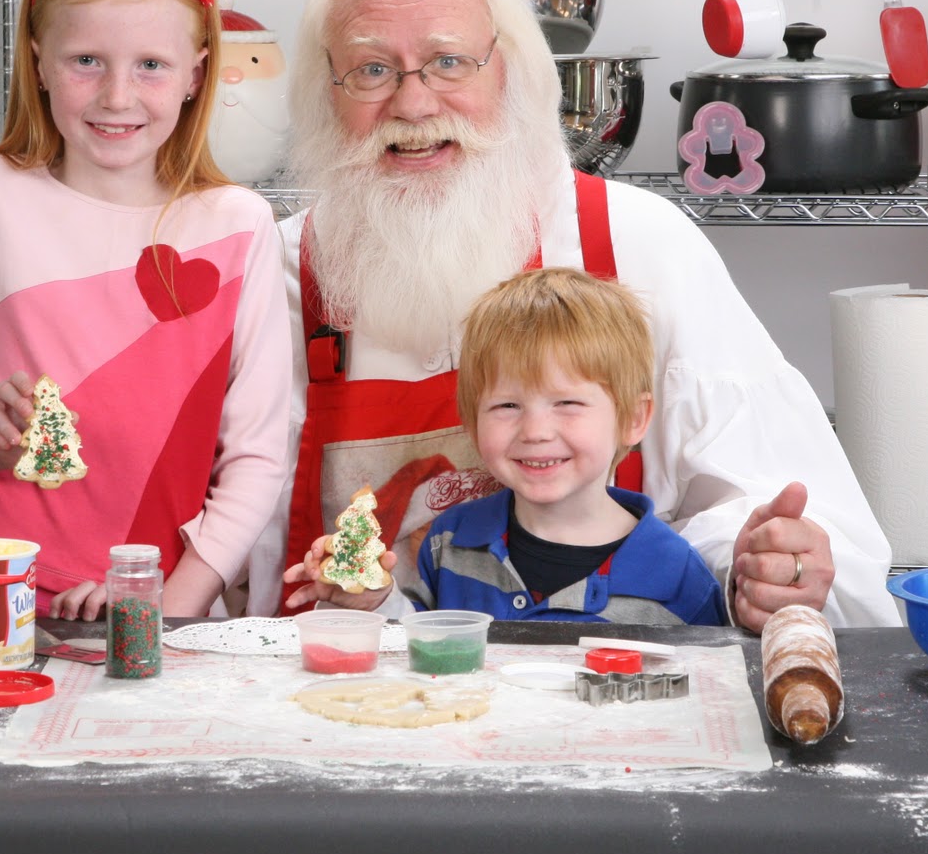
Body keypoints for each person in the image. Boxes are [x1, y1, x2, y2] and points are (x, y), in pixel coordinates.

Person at [245, 0, 900, 633]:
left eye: (450, 61)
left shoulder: (638, 245)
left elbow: (774, 508)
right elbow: (226, 543)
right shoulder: (274, 271)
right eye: (371, 69)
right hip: (344, 705)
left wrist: (760, 564)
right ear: (324, 93)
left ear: (513, 69)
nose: (413, 102)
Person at [0, 0, 290, 622]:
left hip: (169, 608)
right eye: (87, 61)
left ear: (196, 75)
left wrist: (164, 607)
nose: (117, 95)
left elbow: (256, 457)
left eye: (150, 65)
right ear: (40, 63)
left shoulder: (240, 226)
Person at [284, 267, 728, 625]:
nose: (535, 430)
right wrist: (373, 602)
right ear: (473, 424)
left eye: (567, 403)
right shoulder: (450, 541)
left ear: (632, 419)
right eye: (507, 405)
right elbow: (415, 653)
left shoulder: (678, 575)